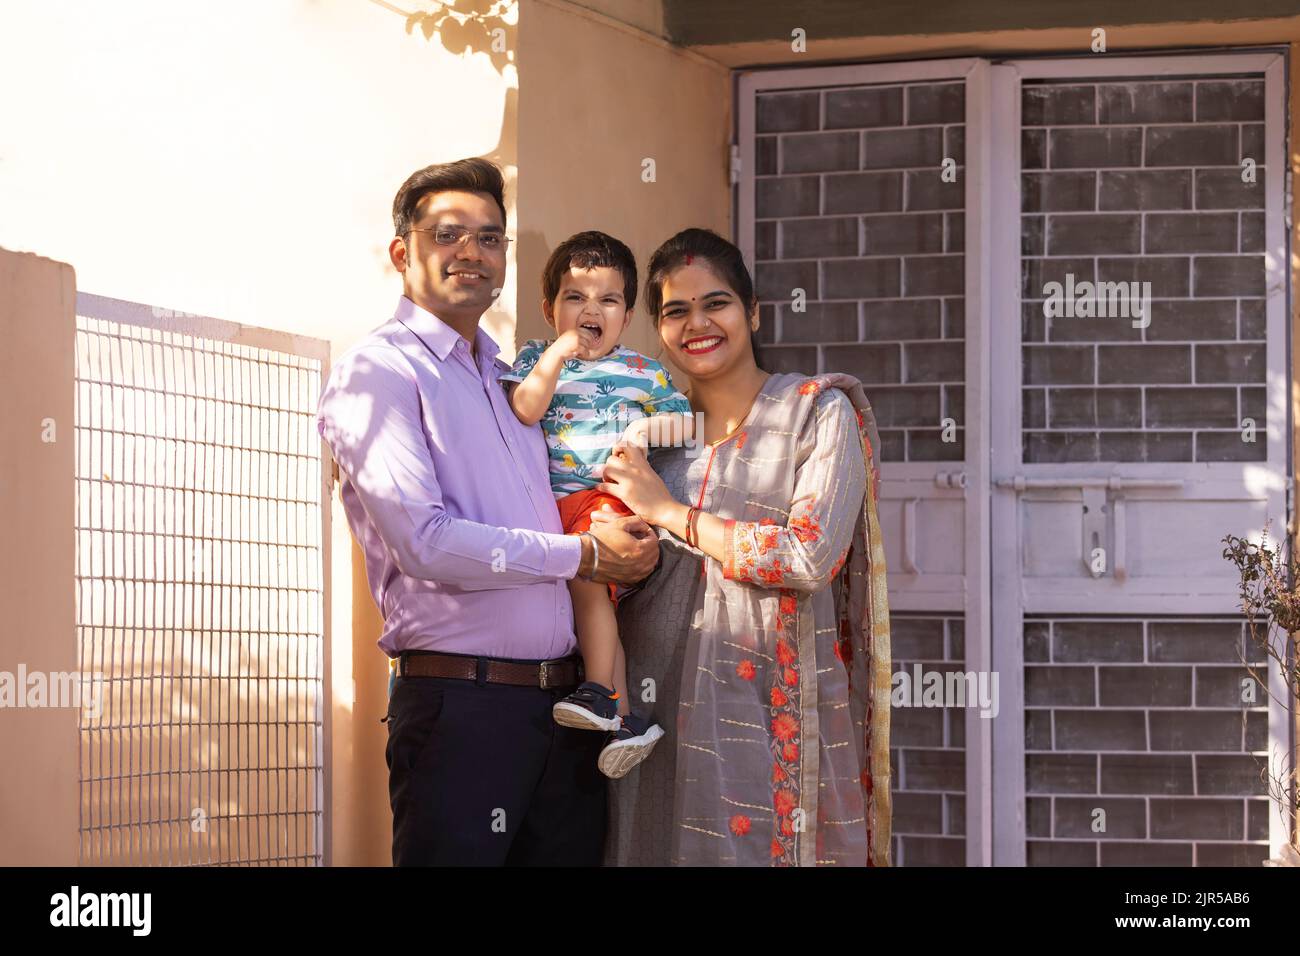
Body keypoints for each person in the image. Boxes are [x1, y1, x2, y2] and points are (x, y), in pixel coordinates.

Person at [315, 158, 659, 866]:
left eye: (490, 237)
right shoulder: (379, 373)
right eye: (448, 233)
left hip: (566, 710)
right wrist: (586, 555)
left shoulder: (509, 377)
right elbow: (426, 543)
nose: (471, 251)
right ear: (402, 252)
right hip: (463, 710)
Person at [593, 228, 893, 866]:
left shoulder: (817, 412)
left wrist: (670, 512)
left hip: (768, 701)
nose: (696, 323)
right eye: (675, 311)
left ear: (752, 313)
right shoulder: (650, 434)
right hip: (652, 702)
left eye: (716, 303)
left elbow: (808, 556)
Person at [500, 230, 695, 778]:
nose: (592, 310)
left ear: (627, 314)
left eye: (607, 300)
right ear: (549, 308)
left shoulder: (640, 372)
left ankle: (597, 694)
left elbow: (688, 420)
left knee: (588, 584)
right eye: (575, 298)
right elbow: (524, 409)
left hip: (606, 497)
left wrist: (642, 431)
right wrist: (559, 352)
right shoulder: (538, 358)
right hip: (553, 508)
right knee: (596, 604)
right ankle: (630, 716)